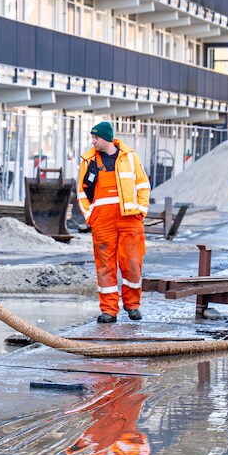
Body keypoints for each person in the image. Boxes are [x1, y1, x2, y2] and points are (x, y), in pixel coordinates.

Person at [76, 121, 151, 324]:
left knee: (133, 263)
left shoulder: (129, 157)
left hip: (130, 218)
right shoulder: (89, 161)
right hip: (102, 222)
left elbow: (143, 185)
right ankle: (109, 310)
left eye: (96, 138)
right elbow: (81, 192)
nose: (93, 141)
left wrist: (141, 210)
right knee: (105, 266)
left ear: (106, 138)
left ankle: (132, 305)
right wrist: (90, 216)